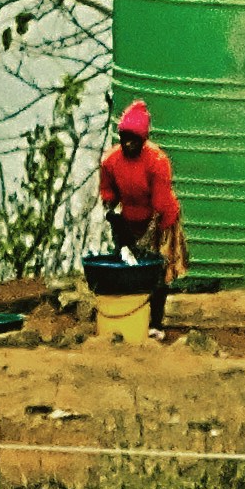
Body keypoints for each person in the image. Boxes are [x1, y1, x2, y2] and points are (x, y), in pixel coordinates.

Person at [96, 100, 186, 334]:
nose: (129, 144)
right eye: (125, 138)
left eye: (134, 139)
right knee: (127, 269)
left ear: (143, 140)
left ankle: (155, 323)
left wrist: (150, 240)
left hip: (160, 221)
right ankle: (131, 318)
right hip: (130, 218)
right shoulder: (111, 161)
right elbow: (108, 192)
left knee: (156, 271)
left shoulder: (157, 162)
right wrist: (112, 213)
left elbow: (161, 204)